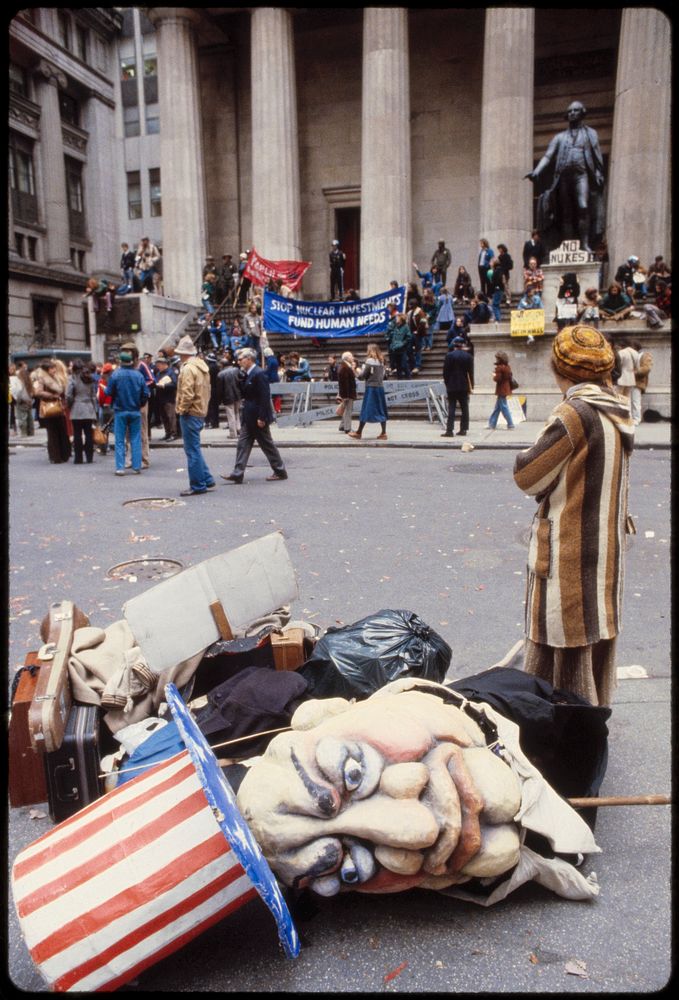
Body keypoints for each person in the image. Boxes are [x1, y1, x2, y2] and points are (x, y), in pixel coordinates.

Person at [235, 678, 601, 902]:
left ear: (327, 713)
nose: (419, 830)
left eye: (354, 773)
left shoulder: (538, 704)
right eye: (351, 866)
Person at [513, 324, 635, 706]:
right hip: (604, 546)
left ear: (560, 370)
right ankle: (592, 710)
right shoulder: (618, 410)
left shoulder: (574, 413)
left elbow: (528, 475)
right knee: (594, 628)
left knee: (562, 635)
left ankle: (563, 721)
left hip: (570, 545)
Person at [525, 100, 605, 252]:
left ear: (582, 113)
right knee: (566, 212)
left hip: (581, 175)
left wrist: (599, 173)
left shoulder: (590, 134)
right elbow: (548, 156)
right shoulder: (559, 137)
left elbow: (597, 156)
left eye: (575, 111)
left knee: (584, 206)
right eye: (569, 111)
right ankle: (569, 245)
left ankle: (584, 243)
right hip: (563, 178)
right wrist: (537, 171)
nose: (572, 113)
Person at [221, 348, 288, 484]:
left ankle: (280, 471)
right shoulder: (246, 373)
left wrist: (262, 417)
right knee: (242, 444)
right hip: (248, 416)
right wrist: (241, 380)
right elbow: (245, 393)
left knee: (267, 445)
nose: (238, 361)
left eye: (241, 359)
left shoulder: (259, 373)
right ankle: (238, 473)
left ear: (249, 359)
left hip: (258, 417)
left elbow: (264, 397)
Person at [174, 335, 216, 496]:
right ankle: (206, 478)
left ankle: (198, 484)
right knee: (195, 448)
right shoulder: (202, 367)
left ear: (182, 353)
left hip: (190, 412)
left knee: (191, 450)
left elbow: (187, 393)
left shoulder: (187, 369)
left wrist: (181, 409)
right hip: (200, 410)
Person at [106, 351, 149, 476]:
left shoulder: (116, 375)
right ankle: (137, 466)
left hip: (120, 410)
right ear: (131, 362)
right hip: (135, 410)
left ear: (120, 361)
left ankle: (120, 467)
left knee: (120, 439)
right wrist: (140, 403)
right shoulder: (138, 375)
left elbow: (109, 392)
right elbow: (146, 393)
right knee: (136, 439)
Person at [31, 360, 71, 463]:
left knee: (61, 431)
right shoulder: (42, 379)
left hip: (58, 406)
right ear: (47, 370)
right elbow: (37, 392)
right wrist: (52, 395)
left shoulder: (56, 377)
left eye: (54, 368)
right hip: (49, 408)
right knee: (52, 433)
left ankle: (63, 454)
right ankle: (55, 456)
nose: (54, 370)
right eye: (52, 368)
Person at [348, 343, 389, 441]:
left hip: (371, 388)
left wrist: (354, 371)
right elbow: (383, 376)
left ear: (370, 350)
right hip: (380, 388)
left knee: (366, 409)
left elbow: (362, 376)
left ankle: (359, 432)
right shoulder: (381, 361)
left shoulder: (369, 361)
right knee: (381, 409)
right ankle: (383, 433)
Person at [65, 359, 98, 464]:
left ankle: (78, 458)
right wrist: (94, 409)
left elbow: (68, 394)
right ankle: (89, 457)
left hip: (77, 407)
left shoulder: (72, 378)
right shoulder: (89, 378)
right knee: (89, 434)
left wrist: (70, 404)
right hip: (89, 408)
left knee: (77, 434)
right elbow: (93, 395)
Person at [441, 336, 473, 438]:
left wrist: (447, 383)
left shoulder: (449, 356)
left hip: (452, 385)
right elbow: (470, 373)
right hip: (463, 385)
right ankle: (463, 428)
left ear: (454, 345)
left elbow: (445, 372)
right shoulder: (468, 356)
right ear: (463, 345)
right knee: (464, 407)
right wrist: (471, 385)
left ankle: (449, 430)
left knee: (452, 408)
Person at [615, 339, 641, 425]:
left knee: (619, 398)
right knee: (628, 398)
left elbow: (618, 365)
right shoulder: (635, 353)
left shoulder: (621, 353)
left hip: (622, 378)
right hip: (631, 378)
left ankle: (621, 417)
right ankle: (629, 417)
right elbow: (637, 367)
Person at [487, 351, 515, 430]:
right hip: (506, 388)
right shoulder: (507, 367)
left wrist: (494, 375)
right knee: (497, 408)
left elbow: (497, 379)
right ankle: (492, 424)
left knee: (503, 407)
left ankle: (510, 424)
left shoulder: (499, 368)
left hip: (501, 389)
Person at [153, 356, 178, 441]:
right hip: (160, 398)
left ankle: (173, 434)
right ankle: (167, 433)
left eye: (159, 365)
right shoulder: (159, 373)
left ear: (164, 364)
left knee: (170, 417)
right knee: (164, 417)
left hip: (169, 398)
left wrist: (164, 385)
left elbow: (175, 384)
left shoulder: (171, 373)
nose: (158, 367)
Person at [217, 357, 242, 439]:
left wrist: (219, 399)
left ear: (222, 365)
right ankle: (239, 429)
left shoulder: (220, 374)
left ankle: (233, 433)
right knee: (237, 413)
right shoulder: (236, 370)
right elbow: (240, 381)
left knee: (231, 415)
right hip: (237, 395)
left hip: (227, 396)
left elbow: (220, 389)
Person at [10, 361, 35, 438]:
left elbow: (17, 391)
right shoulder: (29, 380)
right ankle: (31, 432)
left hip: (22, 401)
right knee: (29, 417)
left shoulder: (19, 381)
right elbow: (32, 391)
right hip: (29, 401)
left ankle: (23, 433)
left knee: (22, 418)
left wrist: (17, 399)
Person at [632, 339, 653, 425]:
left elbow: (646, 368)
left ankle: (637, 418)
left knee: (635, 401)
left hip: (638, 382)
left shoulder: (644, 355)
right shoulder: (633, 355)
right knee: (631, 401)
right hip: (631, 381)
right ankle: (632, 418)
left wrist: (633, 373)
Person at [336, 351, 357, 434]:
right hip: (348, 393)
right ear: (347, 358)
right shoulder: (345, 367)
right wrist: (346, 396)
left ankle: (342, 426)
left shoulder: (344, 366)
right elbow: (345, 383)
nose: (353, 358)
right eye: (351, 356)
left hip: (346, 393)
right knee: (348, 410)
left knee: (346, 409)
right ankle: (347, 428)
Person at [388, 312, 412, 380]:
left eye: (397, 318)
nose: (396, 319)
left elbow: (408, 337)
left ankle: (409, 378)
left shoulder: (406, 327)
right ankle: (399, 379)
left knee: (404, 365)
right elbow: (391, 335)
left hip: (402, 349)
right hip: (394, 349)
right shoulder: (395, 326)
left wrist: (403, 344)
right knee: (398, 366)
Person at [262, 347, 282, 414]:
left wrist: (263, 373)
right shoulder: (274, 359)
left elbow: (268, 370)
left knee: (271, 394)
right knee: (276, 394)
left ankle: (273, 409)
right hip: (275, 377)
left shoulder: (269, 360)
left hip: (271, 378)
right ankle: (277, 408)